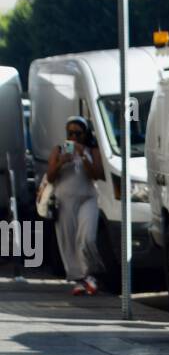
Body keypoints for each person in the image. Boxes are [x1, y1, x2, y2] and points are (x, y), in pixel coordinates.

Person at [42, 117, 104, 296]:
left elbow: (97, 174)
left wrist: (84, 155)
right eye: (70, 133)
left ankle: (91, 273)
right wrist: (61, 161)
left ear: (85, 134)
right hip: (64, 201)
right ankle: (79, 278)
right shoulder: (59, 150)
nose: (74, 137)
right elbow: (50, 177)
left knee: (87, 237)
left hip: (87, 198)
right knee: (68, 240)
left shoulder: (92, 150)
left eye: (78, 133)